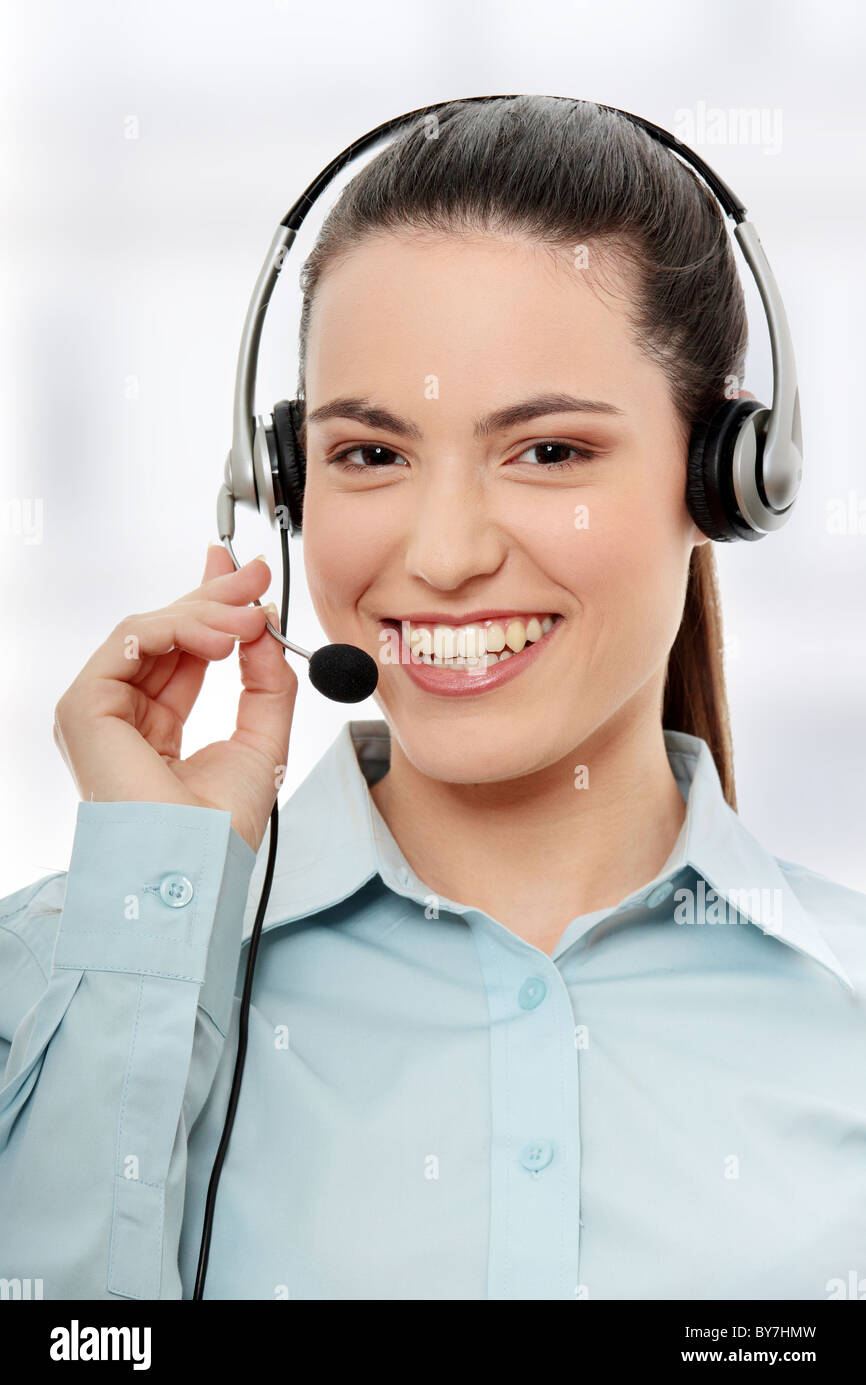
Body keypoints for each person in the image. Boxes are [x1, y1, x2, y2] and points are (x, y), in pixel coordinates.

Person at [1, 96, 864, 1302]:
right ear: (285, 481)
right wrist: (154, 914)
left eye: (548, 450)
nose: (445, 552)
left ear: (726, 477)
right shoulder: (60, 982)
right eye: (371, 454)